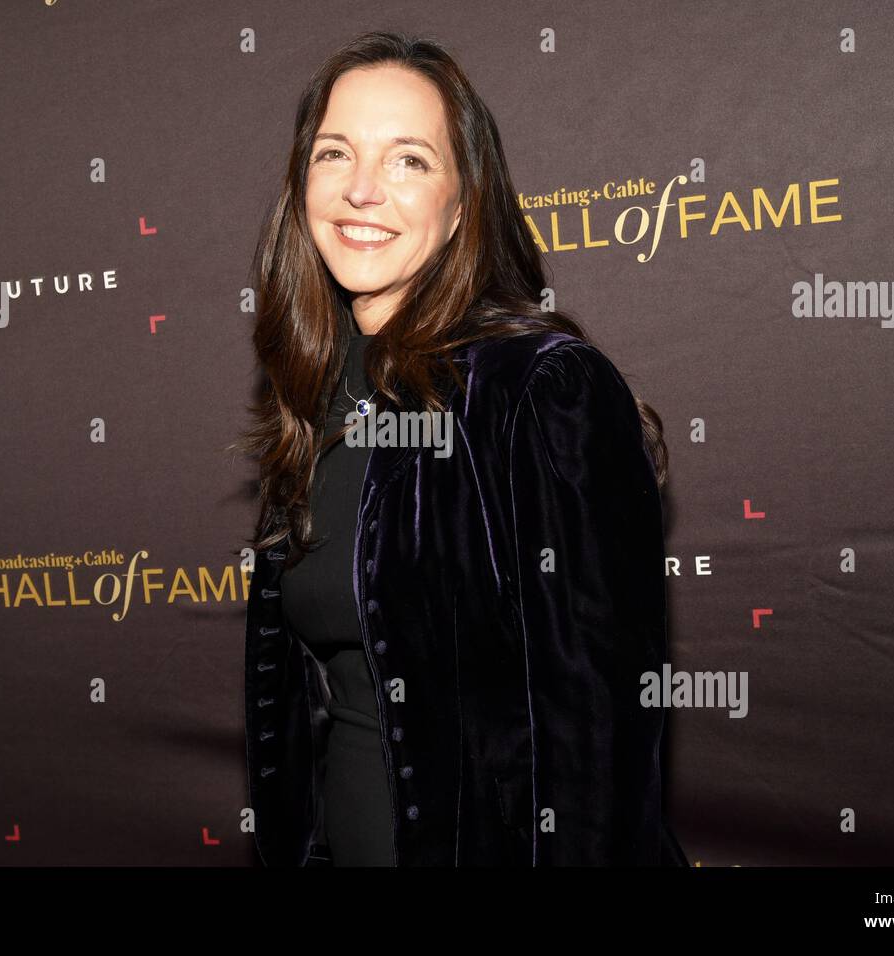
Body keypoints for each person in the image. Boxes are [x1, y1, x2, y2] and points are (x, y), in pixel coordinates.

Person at [237, 30, 688, 867]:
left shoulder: (542, 390)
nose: (362, 189)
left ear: (462, 204)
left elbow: (598, 743)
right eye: (335, 154)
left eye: (408, 161)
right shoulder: (311, 400)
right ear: (302, 188)